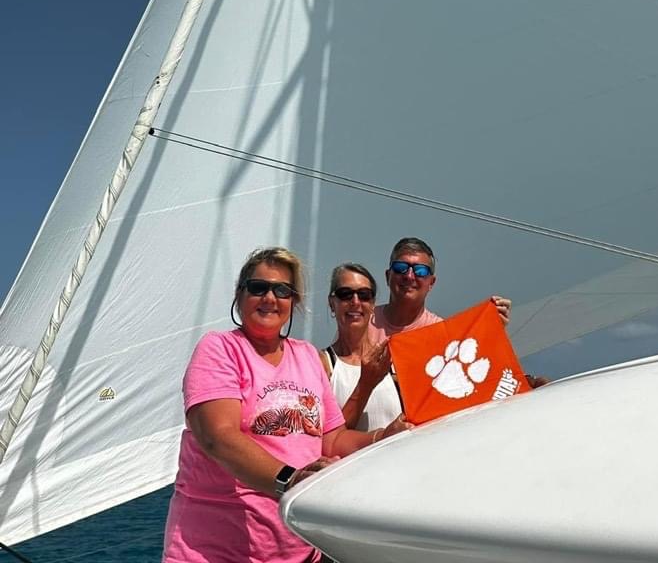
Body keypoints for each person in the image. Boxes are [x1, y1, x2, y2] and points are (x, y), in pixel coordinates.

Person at [162, 247, 410, 563]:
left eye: (282, 290)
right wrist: (290, 481)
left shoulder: (305, 355)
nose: (270, 297)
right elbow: (218, 437)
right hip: (215, 553)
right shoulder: (219, 349)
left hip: (299, 552)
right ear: (240, 295)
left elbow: (332, 438)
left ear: (294, 302)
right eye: (258, 287)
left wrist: (383, 437)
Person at [366, 236, 513, 342]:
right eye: (401, 268)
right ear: (387, 276)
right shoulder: (362, 322)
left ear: (431, 283)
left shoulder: (444, 335)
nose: (409, 276)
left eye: (420, 271)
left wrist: (493, 332)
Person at [319, 263, 401, 430]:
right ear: (331, 303)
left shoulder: (393, 361)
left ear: (372, 305)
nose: (355, 302)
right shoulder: (322, 364)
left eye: (364, 295)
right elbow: (330, 438)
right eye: (345, 294)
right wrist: (365, 385)